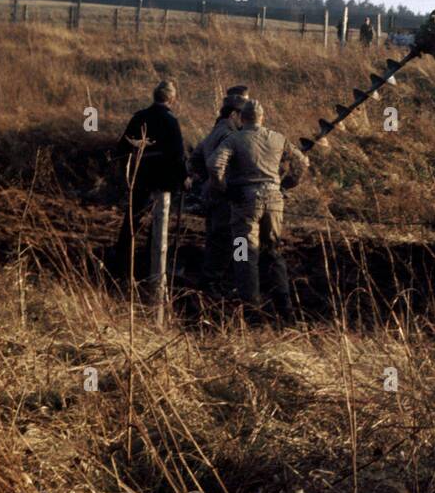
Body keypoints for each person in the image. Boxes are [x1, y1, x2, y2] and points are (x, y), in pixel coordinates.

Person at [210, 99, 309, 321]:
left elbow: (215, 165)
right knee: (273, 250)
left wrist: (225, 189)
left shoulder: (234, 139)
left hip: (244, 203)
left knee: (243, 251)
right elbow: (302, 163)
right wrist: (286, 185)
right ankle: (285, 308)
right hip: (275, 201)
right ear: (262, 117)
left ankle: (250, 309)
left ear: (241, 118)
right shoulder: (278, 138)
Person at [110, 80, 187, 289]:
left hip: (141, 175)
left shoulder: (140, 116)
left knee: (132, 221)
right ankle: (151, 267)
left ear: (154, 96)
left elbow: (122, 147)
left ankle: (121, 266)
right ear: (172, 99)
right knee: (159, 223)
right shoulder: (171, 121)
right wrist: (184, 178)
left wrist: (124, 171)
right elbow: (178, 155)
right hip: (163, 180)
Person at [188, 85, 249, 295]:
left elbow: (195, 159)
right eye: (242, 115)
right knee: (231, 239)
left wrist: (207, 181)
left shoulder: (214, 131)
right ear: (234, 114)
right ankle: (218, 281)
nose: (244, 120)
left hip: (212, 194)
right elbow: (224, 166)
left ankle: (211, 279)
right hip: (226, 196)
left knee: (215, 238)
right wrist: (224, 185)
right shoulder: (230, 135)